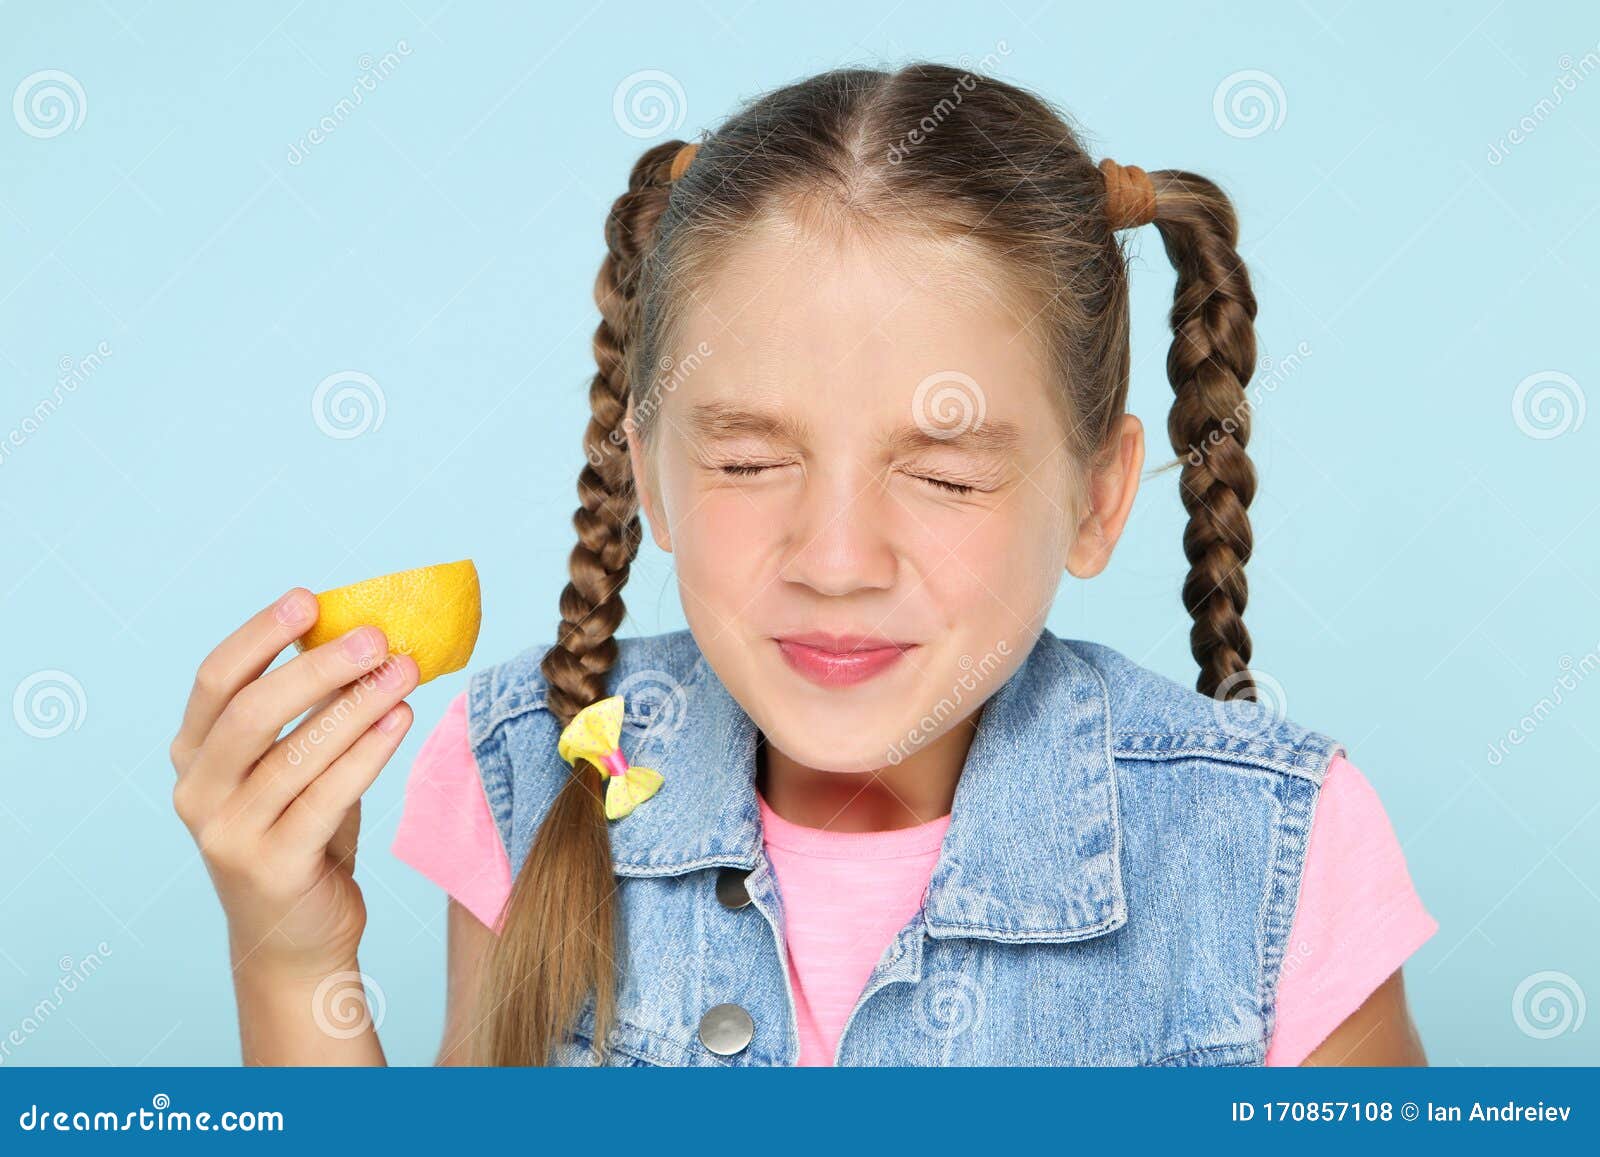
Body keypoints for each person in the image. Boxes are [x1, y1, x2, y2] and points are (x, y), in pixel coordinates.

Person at [171, 62, 1436, 1067]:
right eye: (747, 461)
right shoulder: (529, 767)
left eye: (943, 475)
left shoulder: (1275, 848)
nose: (835, 561)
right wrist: (289, 955)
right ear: (650, 472)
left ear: (1098, 497)